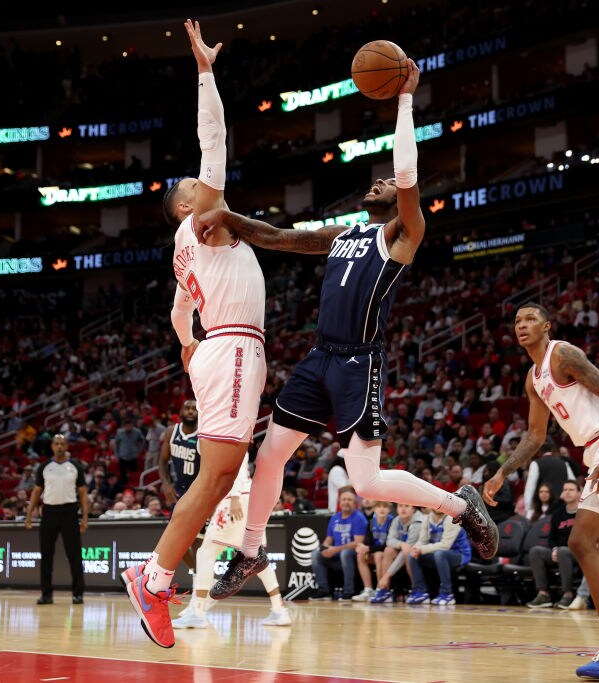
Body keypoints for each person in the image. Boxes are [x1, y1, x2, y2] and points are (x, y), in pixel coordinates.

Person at [204, 58, 497, 602]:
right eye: (377, 179)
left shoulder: (403, 235)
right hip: (319, 359)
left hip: (359, 362)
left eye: (386, 181)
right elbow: (279, 237)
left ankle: (461, 505)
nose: (380, 180)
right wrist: (229, 219)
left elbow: (406, 175)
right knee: (268, 455)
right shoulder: (345, 233)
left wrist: (405, 100)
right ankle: (250, 549)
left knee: (365, 483)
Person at [121, 19, 269, 650]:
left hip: (221, 349)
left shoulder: (188, 253)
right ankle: (153, 577)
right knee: (214, 479)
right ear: (187, 207)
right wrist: (205, 73)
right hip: (233, 347)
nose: (204, 186)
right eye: (194, 189)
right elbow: (216, 145)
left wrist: (188, 351)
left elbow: (179, 313)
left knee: (219, 475)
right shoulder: (203, 225)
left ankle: (159, 574)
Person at [483, 303, 599, 680]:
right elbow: (535, 435)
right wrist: (503, 472)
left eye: (530, 319)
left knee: (581, 542)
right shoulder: (534, 378)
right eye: (517, 321)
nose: (522, 325)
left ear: (547, 326)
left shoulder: (562, 353)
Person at [171, 452, 291, 628]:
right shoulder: (233, 430)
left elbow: (238, 464)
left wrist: (234, 498)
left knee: (205, 552)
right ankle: (279, 610)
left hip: (237, 498)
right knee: (254, 557)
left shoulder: (227, 430)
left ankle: (197, 611)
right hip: (248, 497)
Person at [25, 434, 89, 605]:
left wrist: (84, 517)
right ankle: (46, 594)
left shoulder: (75, 466)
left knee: (74, 554)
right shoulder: (44, 467)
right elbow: (36, 492)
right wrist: (29, 514)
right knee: (46, 555)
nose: (59, 446)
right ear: (52, 446)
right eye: (56, 444)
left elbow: (83, 493)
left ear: (67, 446)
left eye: (62, 443)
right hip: (49, 512)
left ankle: (78, 594)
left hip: (69, 512)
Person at [157, 399, 203, 570]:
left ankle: (201, 584)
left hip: (199, 492)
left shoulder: (203, 435)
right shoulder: (171, 432)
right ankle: (199, 574)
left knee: (198, 543)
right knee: (176, 542)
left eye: (194, 409)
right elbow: (162, 462)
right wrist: (166, 484)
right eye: (187, 408)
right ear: (181, 412)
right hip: (179, 491)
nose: (191, 411)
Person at [527, 479, 581, 609]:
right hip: (560, 552)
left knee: (563, 551)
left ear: (579, 493)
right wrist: (554, 549)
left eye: (571, 490)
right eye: (565, 490)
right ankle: (543, 594)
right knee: (536, 551)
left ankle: (567, 594)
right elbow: (552, 538)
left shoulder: (584, 512)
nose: (567, 493)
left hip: (579, 552)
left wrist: (561, 550)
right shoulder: (558, 513)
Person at [309, 487, 367, 600]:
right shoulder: (334, 518)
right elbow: (329, 539)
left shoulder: (359, 518)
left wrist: (335, 549)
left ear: (355, 503)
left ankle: (349, 591)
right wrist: (324, 549)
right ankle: (324, 590)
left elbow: (358, 543)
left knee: (346, 553)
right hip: (335, 557)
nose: (346, 502)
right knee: (315, 554)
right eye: (344, 499)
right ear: (340, 502)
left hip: (352, 557)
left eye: (349, 500)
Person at [406, 507, 473, 605]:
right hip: (439, 555)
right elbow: (422, 541)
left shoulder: (452, 519)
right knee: (413, 556)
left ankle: (447, 593)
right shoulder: (427, 518)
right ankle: (420, 592)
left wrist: (422, 549)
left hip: (459, 554)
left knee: (440, 554)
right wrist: (416, 548)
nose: (438, 506)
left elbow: (445, 545)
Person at [369, 502, 424, 603]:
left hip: (422, 551)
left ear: (413, 509)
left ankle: (418, 590)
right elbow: (389, 540)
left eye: (407, 506)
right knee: (388, 550)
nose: (403, 509)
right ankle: (384, 590)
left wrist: (387, 575)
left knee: (408, 552)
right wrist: (401, 544)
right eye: (400, 506)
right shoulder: (396, 520)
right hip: (406, 550)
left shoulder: (418, 521)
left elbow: (408, 548)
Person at [354, 500, 394, 601]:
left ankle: (381, 589)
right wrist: (362, 547)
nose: (381, 509)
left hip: (390, 554)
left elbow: (389, 544)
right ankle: (368, 589)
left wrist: (369, 548)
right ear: (374, 509)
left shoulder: (392, 522)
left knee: (379, 555)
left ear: (389, 509)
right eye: (379, 506)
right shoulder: (371, 522)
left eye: (385, 507)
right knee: (360, 554)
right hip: (376, 552)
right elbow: (368, 542)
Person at [114, 416, 144, 482]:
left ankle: (133, 484)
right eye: (126, 426)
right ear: (124, 426)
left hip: (133, 455)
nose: (128, 427)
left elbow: (142, 441)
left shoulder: (137, 432)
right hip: (122, 455)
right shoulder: (120, 432)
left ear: (132, 425)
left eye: (130, 425)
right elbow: (116, 443)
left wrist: (139, 450)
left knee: (133, 473)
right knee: (123, 473)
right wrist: (117, 454)